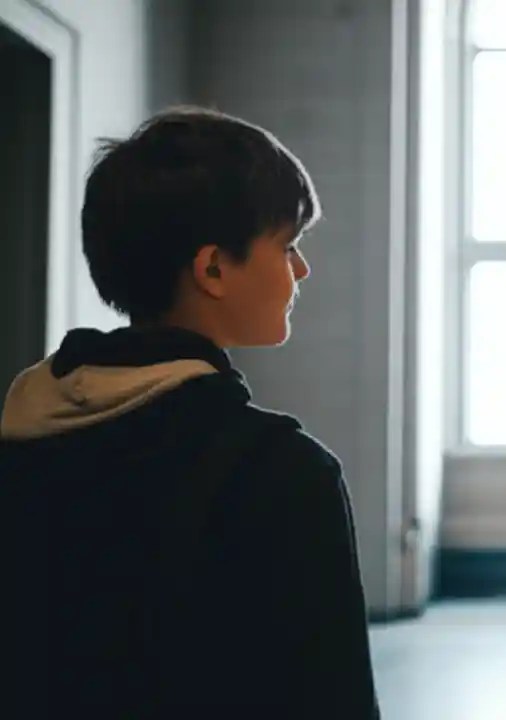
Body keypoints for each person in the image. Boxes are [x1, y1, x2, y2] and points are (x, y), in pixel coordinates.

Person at [0, 107, 380, 718]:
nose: (301, 269)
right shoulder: (282, 471)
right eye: (287, 245)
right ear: (212, 268)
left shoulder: (22, 437)